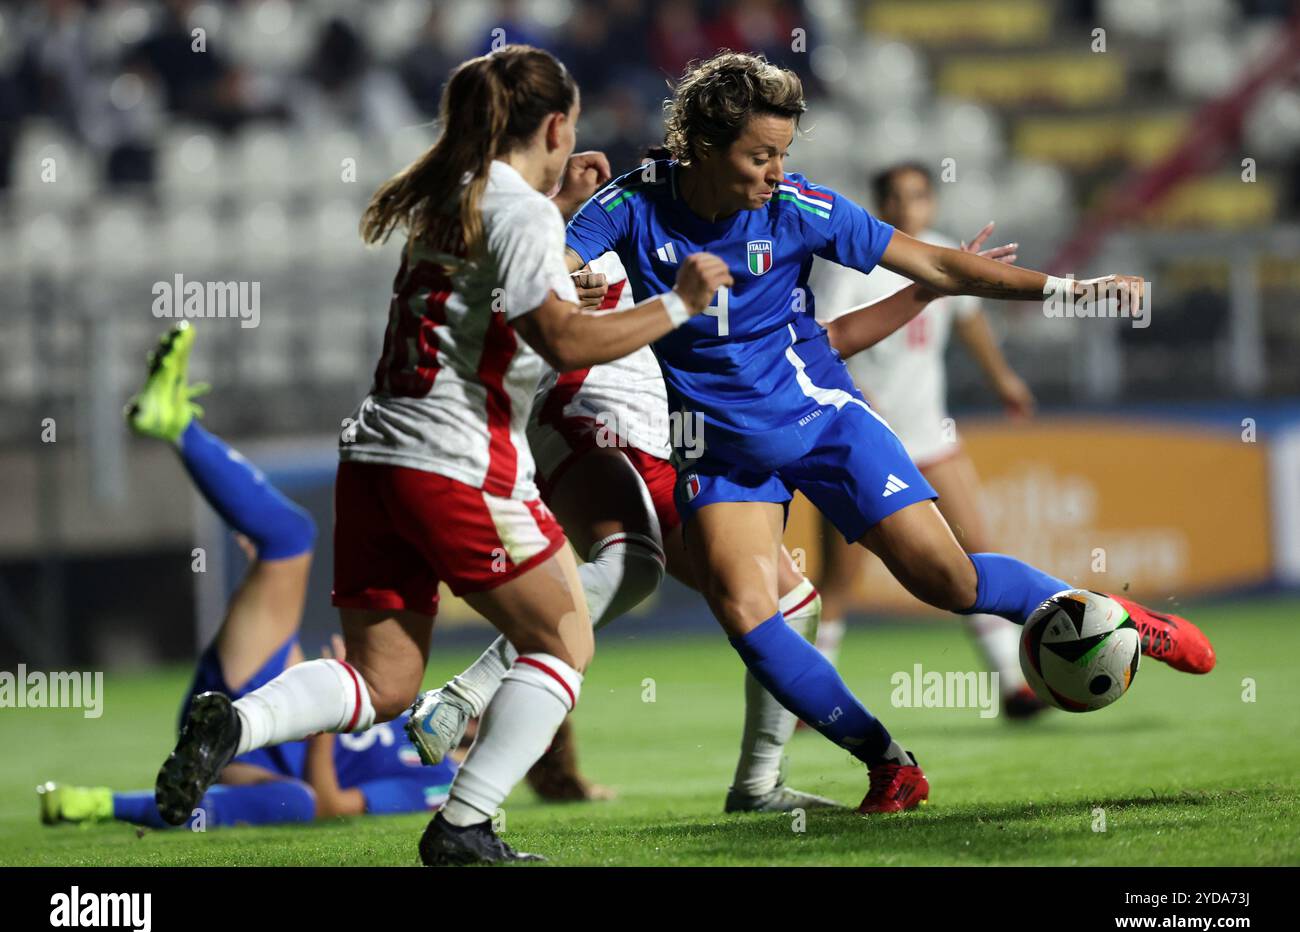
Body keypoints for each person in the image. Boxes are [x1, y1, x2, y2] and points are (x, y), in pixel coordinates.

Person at [558, 51, 1215, 815]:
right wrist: (559, 279)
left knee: (950, 584)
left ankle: (1125, 617)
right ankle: (888, 764)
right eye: (759, 155)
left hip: (823, 422)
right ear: (704, 146)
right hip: (718, 447)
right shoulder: (630, 203)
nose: (775, 171)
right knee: (744, 611)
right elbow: (551, 266)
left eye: (783, 155)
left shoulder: (799, 208)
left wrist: (1075, 292)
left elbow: (937, 266)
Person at [150, 45, 732, 865]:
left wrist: (564, 216)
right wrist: (678, 303)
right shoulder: (521, 215)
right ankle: (464, 827)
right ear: (559, 125)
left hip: (375, 456)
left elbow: (503, 307)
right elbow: (561, 342)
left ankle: (236, 721)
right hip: (457, 459)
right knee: (564, 641)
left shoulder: (449, 202)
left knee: (383, 682)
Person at [409, 147, 1021, 811]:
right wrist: (559, 230)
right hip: (584, 403)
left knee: (790, 602)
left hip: (672, 430)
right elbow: (509, 291)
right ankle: (463, 698)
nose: (756, 182)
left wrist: (926, 289)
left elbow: (823, 336)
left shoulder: (742, 236)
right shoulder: (607, 214)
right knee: (631, 562)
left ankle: (757, 786)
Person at [38, 321, 457, 830]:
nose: (473, 699)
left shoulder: (435, 781)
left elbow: (332, 803)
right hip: (258, 687)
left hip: (251, 763)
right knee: (285, 541)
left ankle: (101, 805)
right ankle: (176, 424)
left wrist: (329, 712)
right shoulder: (411, 698)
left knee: (298, 804)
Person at [810, 162, 1044, 718]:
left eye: (917, 195)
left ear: (931, 203)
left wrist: (1003, 379)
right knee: (839, 580)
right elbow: (824, 344)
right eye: (895, 196)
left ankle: (1013, 685)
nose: (907, 206)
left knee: (979, 555)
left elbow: (968, 320)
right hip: (862, 441)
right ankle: (811, 697)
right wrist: (861, 398)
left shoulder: (942, 253)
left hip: (932, 435)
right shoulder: (854, 262)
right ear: (879, 202)